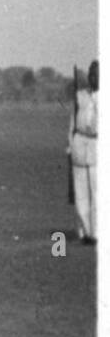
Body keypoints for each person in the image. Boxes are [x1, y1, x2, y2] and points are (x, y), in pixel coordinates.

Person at [67, 60, 97, 245]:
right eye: (92, 74)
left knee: (97, 191)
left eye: (98, 74)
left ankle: (97, 232)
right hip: (79, 144)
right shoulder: (80, 96)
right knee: (80, 193)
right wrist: (69, 145)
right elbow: (72, 123)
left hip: (98, 144)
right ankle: (85, 232)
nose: (94, 78)